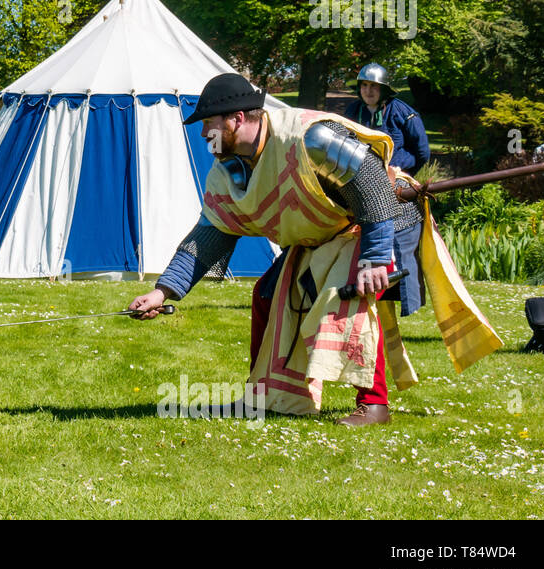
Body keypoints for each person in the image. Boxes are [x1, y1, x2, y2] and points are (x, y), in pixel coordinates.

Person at [128, 73, 500, 426]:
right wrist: (162, 292)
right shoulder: (228, 171)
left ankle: (374, 405)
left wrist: (373, 259)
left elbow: (371, 181)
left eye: (209, 123)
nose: (204, 133)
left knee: (352, 293)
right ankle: (265, 396)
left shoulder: (310, 138)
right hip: (326, 231)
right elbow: (210, 235)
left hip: (377, 220)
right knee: (266, 294)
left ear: (236, 119)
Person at [343, 63, 430, 316]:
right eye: (364, 85)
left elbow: (421, 151)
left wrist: (400, 169)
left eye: (374, 86)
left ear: (383, 89)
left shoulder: (403, 112)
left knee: (402, 234)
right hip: (358, 181)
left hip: (397, 180)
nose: (368, 91)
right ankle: (358, 287)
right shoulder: (351, 112)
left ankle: (407, 300)